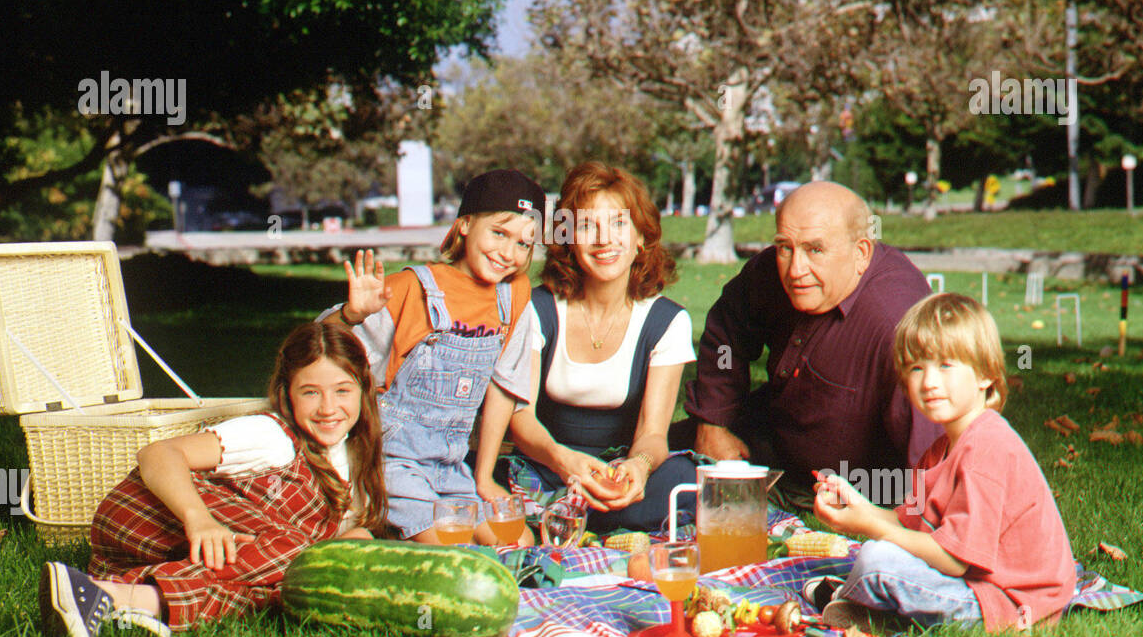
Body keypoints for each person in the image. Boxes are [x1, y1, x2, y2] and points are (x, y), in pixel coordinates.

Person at [38, 321, 388, 637]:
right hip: (147, 510)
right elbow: (157, 453)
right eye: (310, 392)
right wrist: (199, 519)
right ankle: (121, 598)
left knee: (285, 596)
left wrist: (357, 545)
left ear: (364, 388)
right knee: (300, 556)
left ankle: (113, 597)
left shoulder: (358, 463)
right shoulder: (271, 437)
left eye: (342, 390)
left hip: (195, 558)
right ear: (287, 393)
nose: (328, 408)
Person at [810, 293, 1076, 633]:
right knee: (878, 554)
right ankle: (874, 612)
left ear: (985, 375)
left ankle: (865, 608)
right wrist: (855, 505)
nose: (929, 382)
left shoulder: (988, 446)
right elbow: (906, 523)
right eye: (916, 368)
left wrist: (870, 527)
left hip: (1009, 603)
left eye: (946, 365)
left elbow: (953, 559)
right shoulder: (940, 449)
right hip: (972, 583)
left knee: (878, 559)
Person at [678, 181, 942, 496]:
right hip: (770, 432)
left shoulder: (897, 325)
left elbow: (936, 458)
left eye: (815, 249)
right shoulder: (771, 271)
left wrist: (892, 513)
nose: (795, 269)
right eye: (785, 247)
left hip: (864, 484)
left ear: (861, 253)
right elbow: (726, 333)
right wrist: (714, 421)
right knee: (660, 460)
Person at [325, 168, 543, 545]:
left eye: (524, 244)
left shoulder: (514, 298)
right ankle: (378, 536)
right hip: (392, 464)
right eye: (499, 233)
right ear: (464, 225)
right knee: (455, 551)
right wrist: (351, 315)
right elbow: (317, 351)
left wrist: (484, 477)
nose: (509, 253)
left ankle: (384, 540)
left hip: (452, 467)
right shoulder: (410, 289)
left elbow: (505, 387)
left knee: (518, 542)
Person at [481, 162, 698, 533]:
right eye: (586, 226)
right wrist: (564, 462)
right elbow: (521, 419)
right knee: (475, 482)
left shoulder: (668, 322)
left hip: (619, 471)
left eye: (618, 223)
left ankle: (570, 520)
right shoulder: (536, 308)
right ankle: (571, 518)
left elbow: (652, 434)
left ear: (641, 237)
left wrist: (638, 467)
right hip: (547, 466)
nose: (604, 240)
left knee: (682, 481)